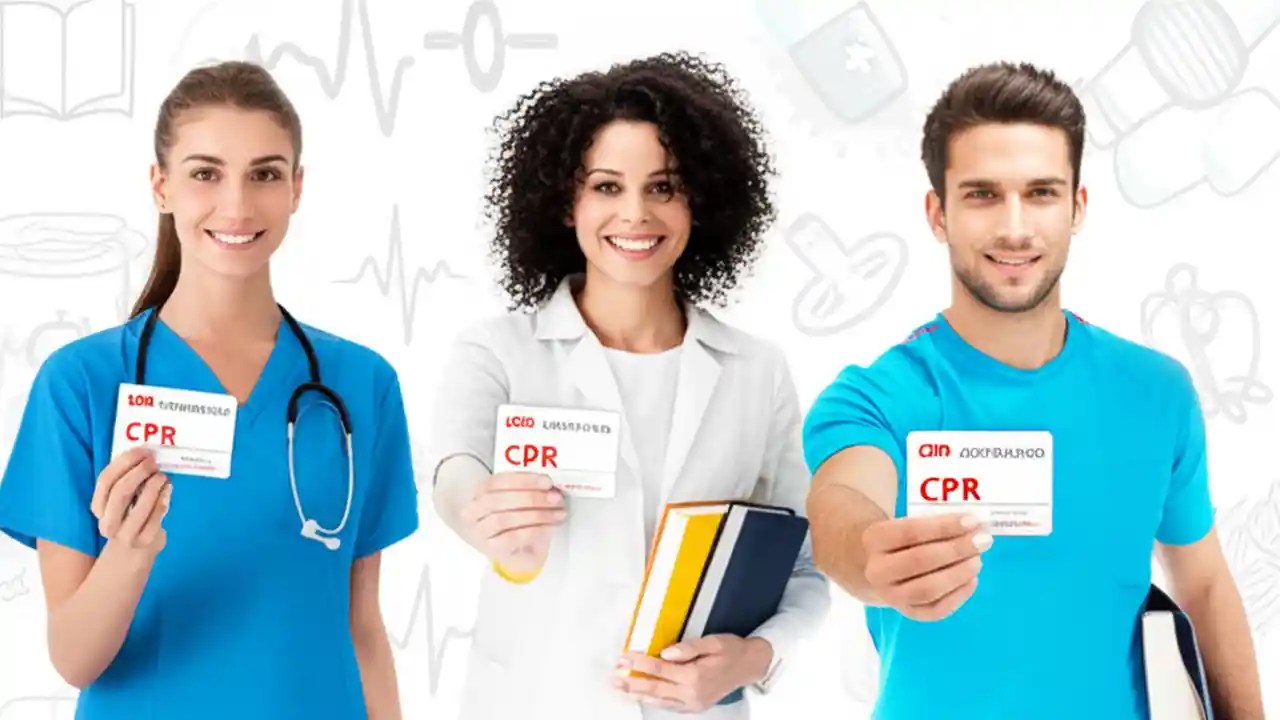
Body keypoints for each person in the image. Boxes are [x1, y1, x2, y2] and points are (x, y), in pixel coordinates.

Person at [802, 61, 1265, 719]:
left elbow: (1206, 584)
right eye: (982, 195)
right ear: (938, 214)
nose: (1014, 228)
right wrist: (868, 556)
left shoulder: (1157, 393)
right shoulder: (878, 397)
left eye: (1041, 193)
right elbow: (841, 506)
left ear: (1077, 207)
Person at [0, 61, 418, 719]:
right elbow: (74, 659)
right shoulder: (81, 383)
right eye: (205, 174)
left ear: (296, 188)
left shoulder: (361, 385)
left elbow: (363, 627)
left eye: (265, 174)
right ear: (161, 186)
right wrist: (130, 551)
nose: (237, 206)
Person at [426, 51, 830, 720]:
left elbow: (805, 564)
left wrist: (754, 658)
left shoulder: (756, 371)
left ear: (701, 200)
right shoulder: (497, 352)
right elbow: (452, 472)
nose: (636, 214)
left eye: (663, 187)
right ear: (567, 202)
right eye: (607, 187)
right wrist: (484, 510)